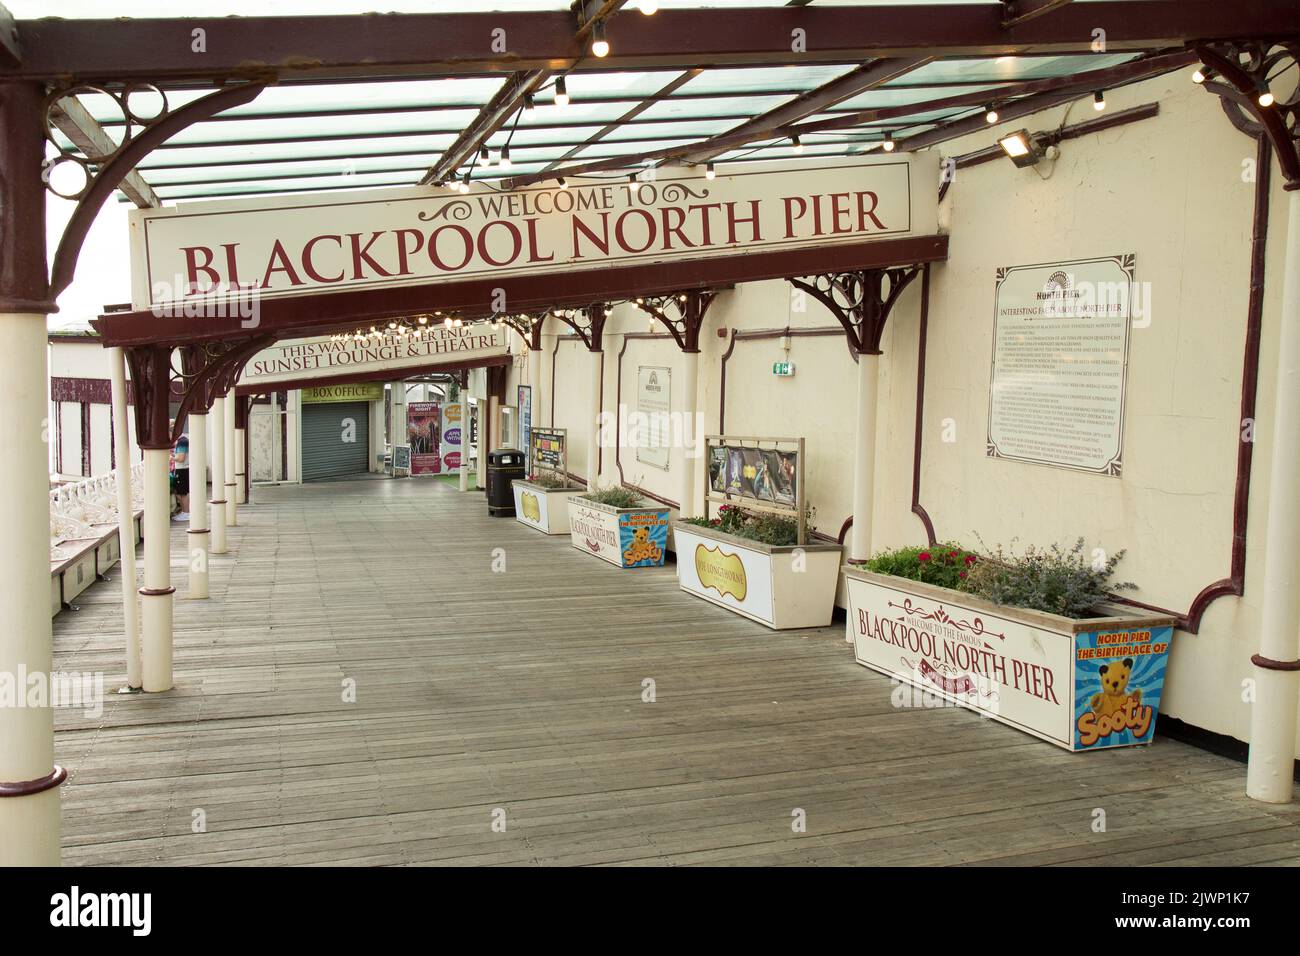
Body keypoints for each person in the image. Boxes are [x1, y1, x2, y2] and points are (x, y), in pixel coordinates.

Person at [171, 424, 190, 522]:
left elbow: (181, 458)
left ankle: (186, 512)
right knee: (179, 492)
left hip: (183, 469)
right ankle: (184, 511)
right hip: (182, 469)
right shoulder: (182, 441)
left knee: (182, 492)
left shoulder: (182, 442)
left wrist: (171, 458)